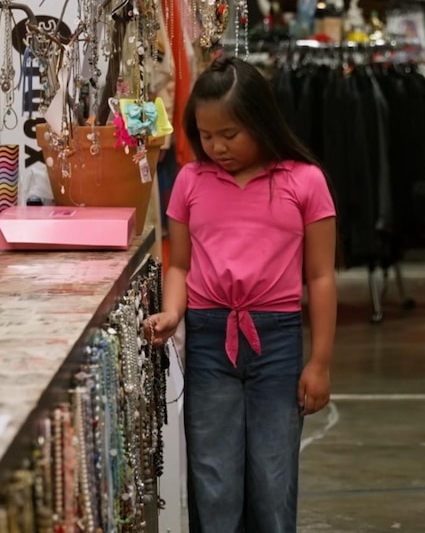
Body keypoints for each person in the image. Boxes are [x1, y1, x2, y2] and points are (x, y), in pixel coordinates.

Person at [144, 56, 338, 533]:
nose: (218, 147)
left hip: (278, 342)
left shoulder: (305, 180)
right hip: (209, 340)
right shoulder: (190, 180)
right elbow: (180, 264)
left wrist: (319, 362)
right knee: (213, 478)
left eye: (230, 134)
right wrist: (172, 313)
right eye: (206, 135)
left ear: (261, 121)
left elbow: (320, 277)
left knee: (273, 477)